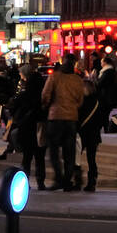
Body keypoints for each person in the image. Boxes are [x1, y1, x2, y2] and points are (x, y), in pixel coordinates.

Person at [42, 58, 86, 191]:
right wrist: (72, 108)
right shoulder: (78, 80)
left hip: (55, 117)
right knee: (69, 151)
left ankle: (58, 178)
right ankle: (67, 181)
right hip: (71, 118)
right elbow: (80, 100)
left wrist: (47, 106)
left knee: (54, 150)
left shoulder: (54, 77)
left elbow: (45, 95)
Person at [10, 66, 47, 190]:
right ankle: (41, 182)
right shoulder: (44, 98)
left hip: (26, 129)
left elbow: (13, 108)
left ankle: (25, 183)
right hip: (40, 129)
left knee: (27, 158)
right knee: (40, 158)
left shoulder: (24, 95)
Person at [76, 77, 105, 192]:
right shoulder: (98, 102)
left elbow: (78, 117)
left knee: (76, 157)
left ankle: (77, 180)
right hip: (94, 134)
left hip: (83, 133)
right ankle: (92, 181)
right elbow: (102, 119)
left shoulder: (82, 102)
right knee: (91, 159)